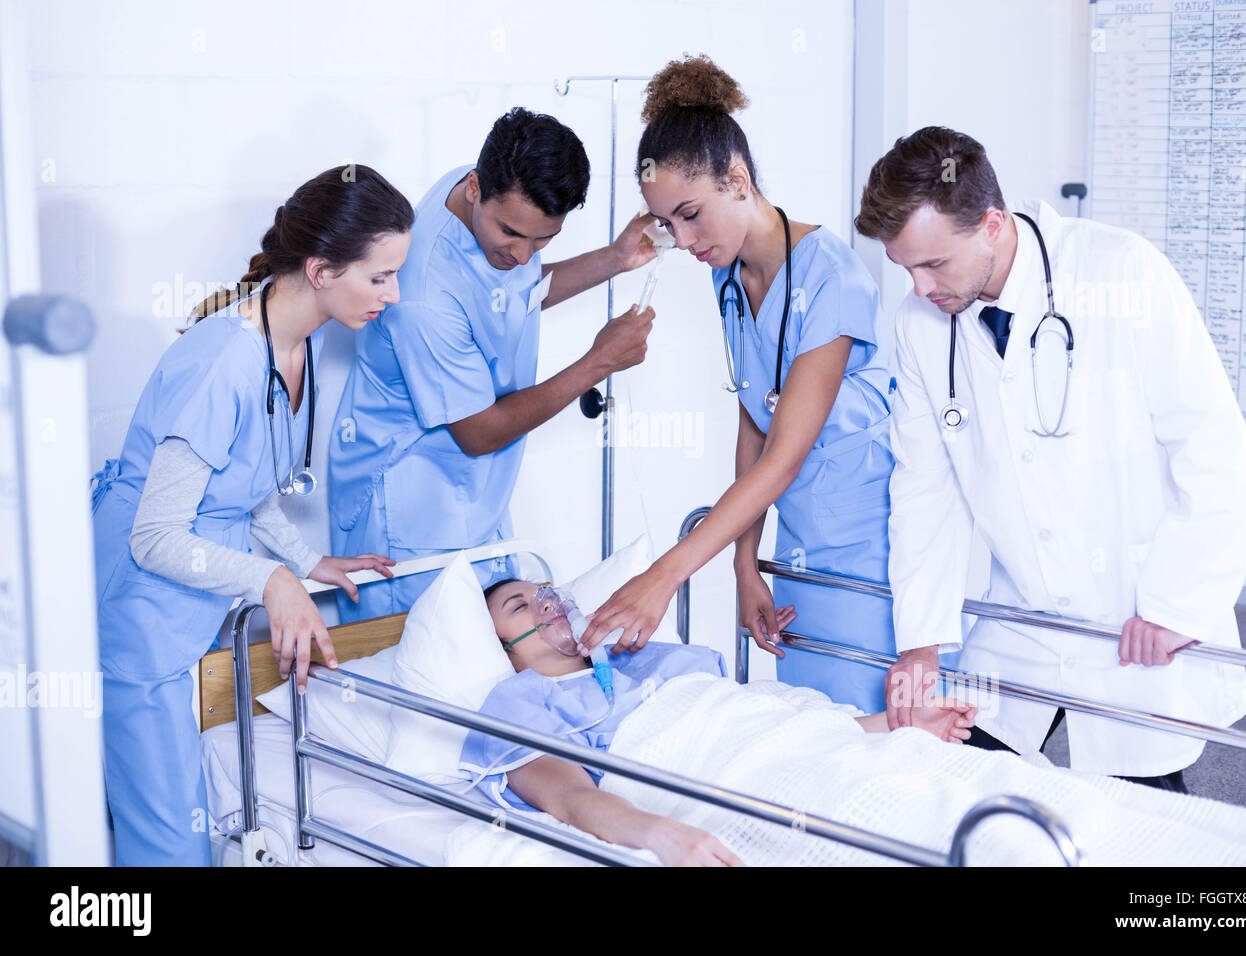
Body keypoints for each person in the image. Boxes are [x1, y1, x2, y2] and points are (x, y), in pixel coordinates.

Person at [855, 126, 1246, 791]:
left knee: (1143, 814)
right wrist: (920, 645)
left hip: (1134, 607)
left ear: (990, 225)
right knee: (959, 778)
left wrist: (1177, 602)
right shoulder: (920, 323)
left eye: (934, 265)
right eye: (904, 268)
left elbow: (1209, 440)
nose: (919, 288)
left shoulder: (1119, 271)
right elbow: (926, 487)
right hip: (1025, 617)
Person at [89, 165, 412, 865]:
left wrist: (304, 563)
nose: (395, 293)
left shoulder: (304, 339)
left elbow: (249, 482)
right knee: (169, 840)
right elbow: (154, 537)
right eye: (381, 276)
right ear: (323, 269)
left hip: (191, 602)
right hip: (140, 613)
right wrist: (273, 581)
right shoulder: (224, 365)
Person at [576, 55, 897, 714]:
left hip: (873, 554)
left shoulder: (830, 278)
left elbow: (784, 459)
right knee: (813, 731)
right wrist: (745, 564)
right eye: (669, 224)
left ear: (738, 180)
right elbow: (755, 422)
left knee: (876, 735)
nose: (685, 240)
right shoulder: (730, 277)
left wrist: (663, 576)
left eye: (692, 214)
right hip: (800, 551)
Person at [328, 108, 659, 623]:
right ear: (477, 187)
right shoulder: (424, 294)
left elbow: (511, 294)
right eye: (514, 234)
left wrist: (615, 259)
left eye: (543, 240)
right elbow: (479, 433)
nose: (526, 255)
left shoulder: (488, 196)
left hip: (470, 492)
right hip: (409, 507)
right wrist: (597, 363)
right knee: (417, 679)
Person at [459, 579, 976, 867]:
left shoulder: (636, 658)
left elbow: (772, 725)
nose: (546, 605)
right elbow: (570, 800)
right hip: (711, 775)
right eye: (520, 606)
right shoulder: (519, 702)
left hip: (782, 747)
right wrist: (661, 835)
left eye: (544, 593)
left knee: (948, 799)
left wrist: (892, 723)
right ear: (497, 647)